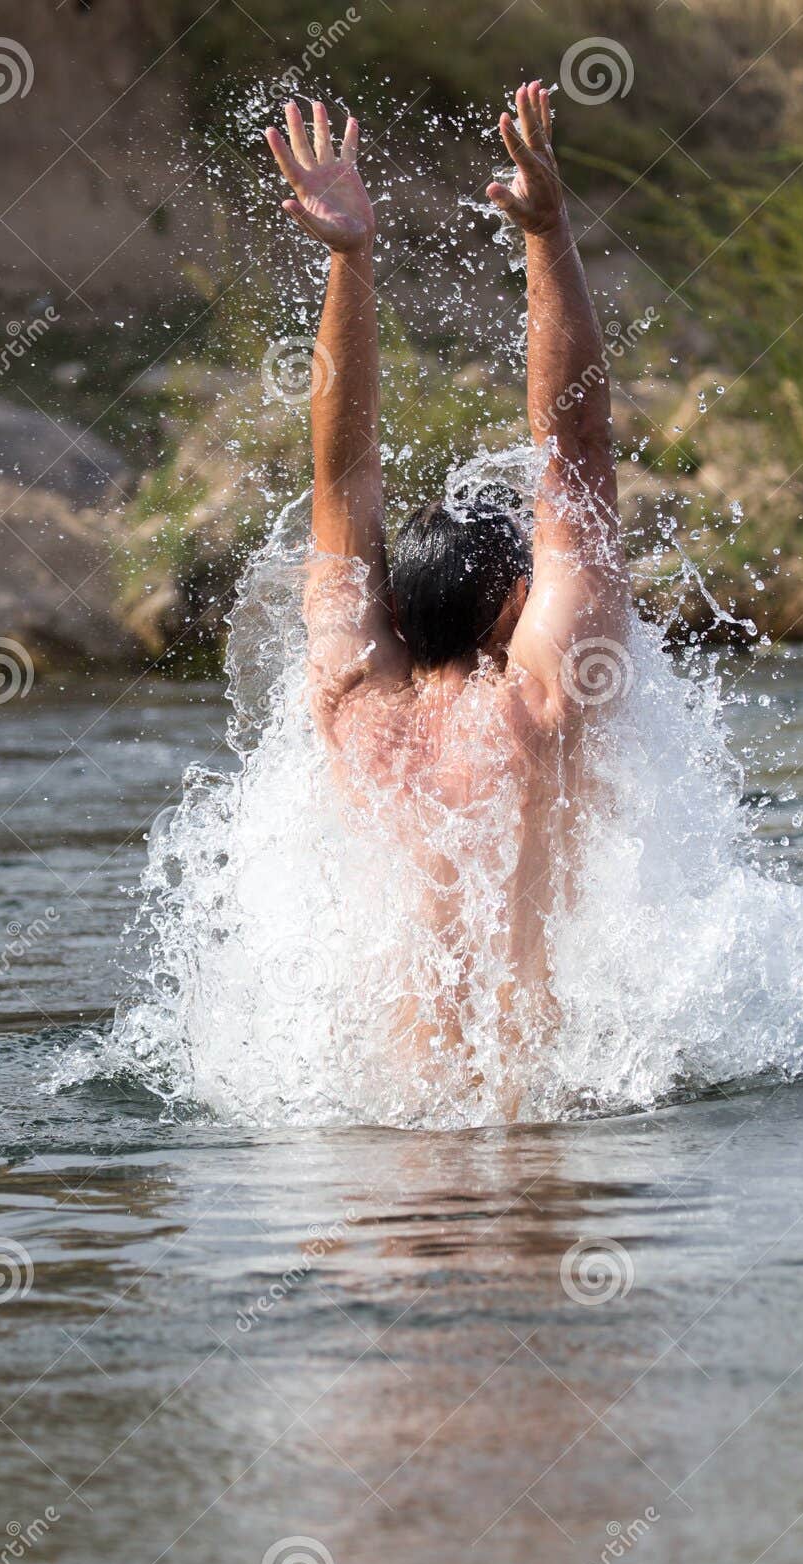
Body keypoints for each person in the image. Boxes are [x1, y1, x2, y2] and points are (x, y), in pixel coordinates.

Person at [264, 81, 626, 1095]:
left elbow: (340, 483)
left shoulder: (352, 709)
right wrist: (547, 234)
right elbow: (577, 452)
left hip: (383, 1151)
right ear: (516, 595)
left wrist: (350, 257)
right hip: (526, 1114)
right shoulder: (542, 704)